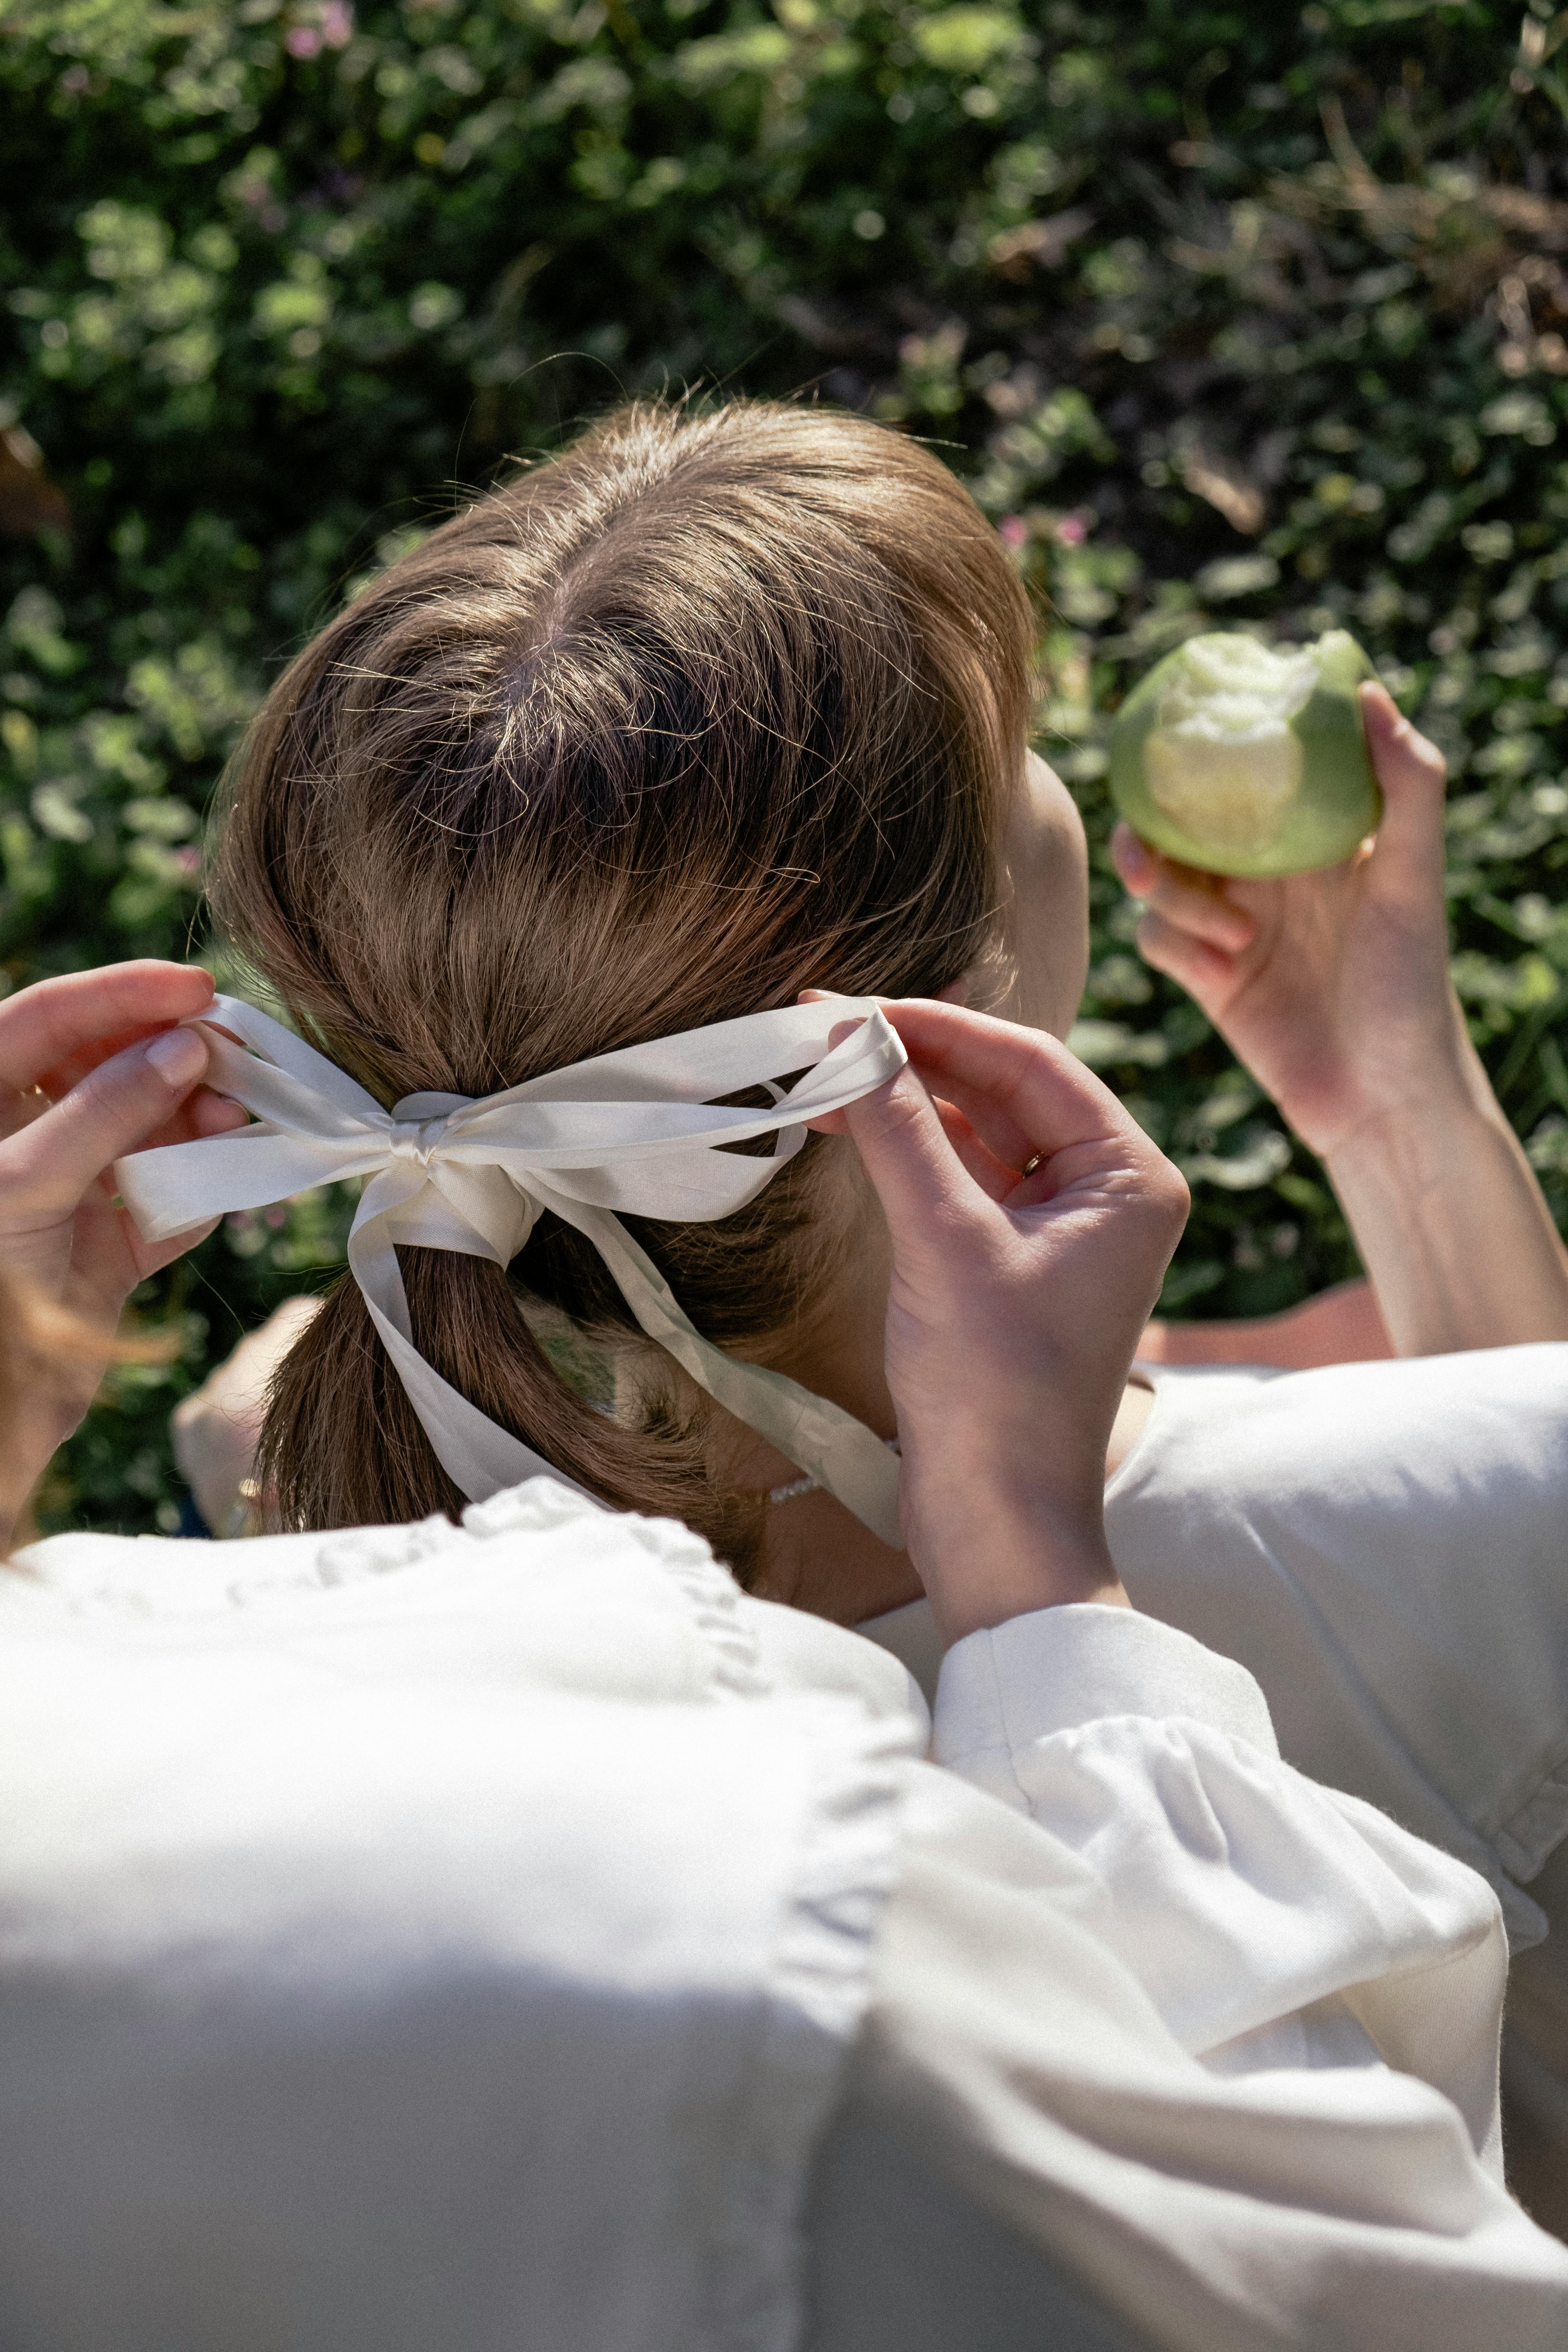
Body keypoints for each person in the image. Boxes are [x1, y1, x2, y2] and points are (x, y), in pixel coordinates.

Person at [160, 398, 1568, 2222]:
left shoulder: (319, 1644)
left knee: (228, 1414)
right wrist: (1402, 1108)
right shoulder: (1444, 1514)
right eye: (1026, 752)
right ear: (947, 1023)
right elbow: (1489, 1509)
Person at [4, 956, 1568, 2350]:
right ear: (943, 1052)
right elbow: (1313, 2283)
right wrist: (1039, 1592)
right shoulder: (771, 1920)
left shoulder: (257, 1656)